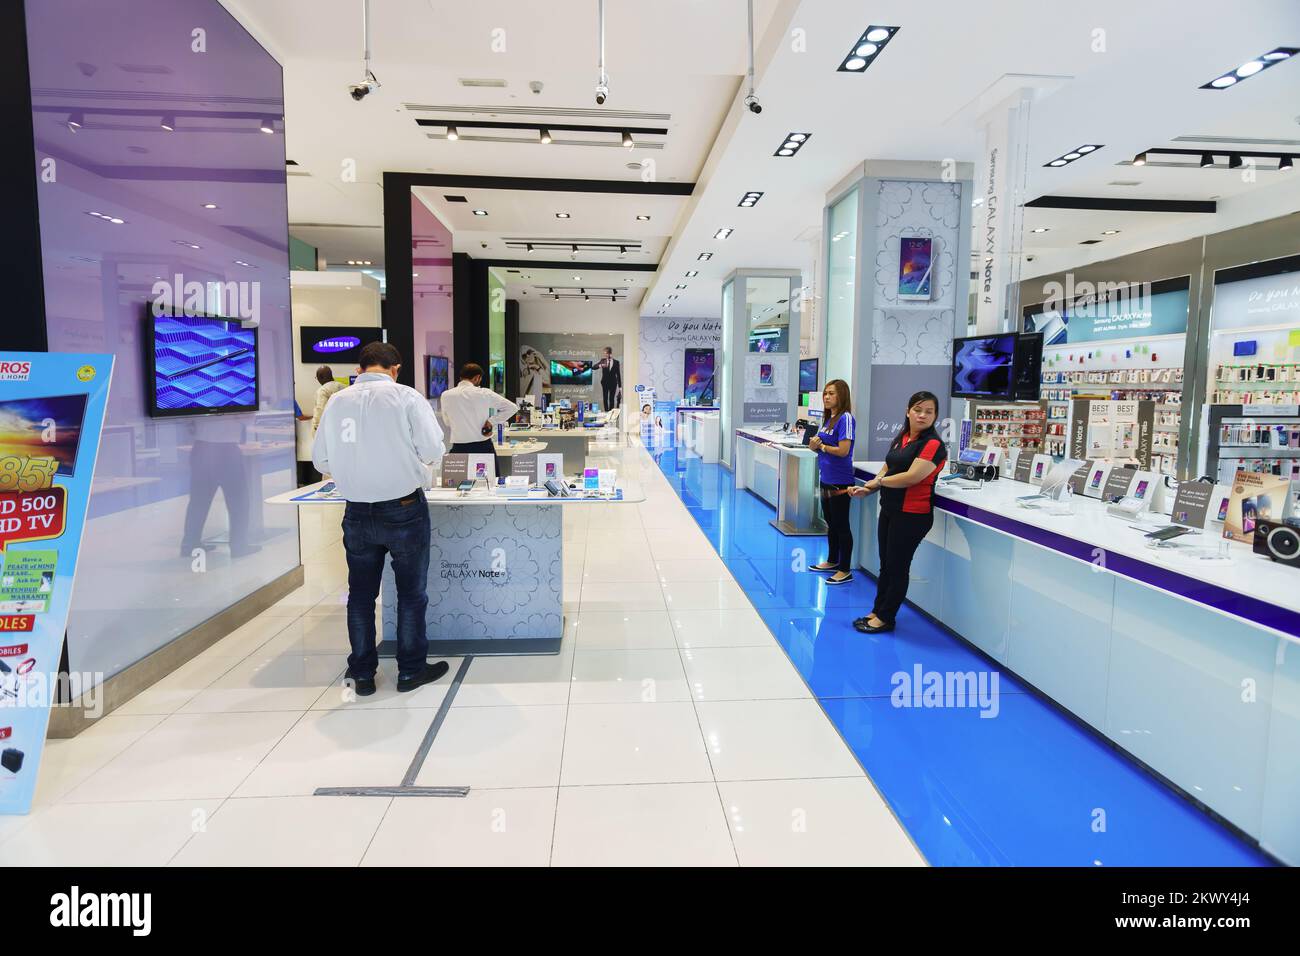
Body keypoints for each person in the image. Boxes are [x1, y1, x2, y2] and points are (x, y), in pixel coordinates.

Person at [313, 342, 448, 696]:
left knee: (360, 595)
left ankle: (362, 674)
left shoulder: (337, 402)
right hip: (404, 508)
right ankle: (410, 672)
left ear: (360, 369)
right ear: (396, 368)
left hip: (357, 510)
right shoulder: (406, 398)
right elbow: (434, 449)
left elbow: (321, 461)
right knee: (411, 594)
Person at [848, 390, 948, 634]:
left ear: (935, 416)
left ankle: (886, 617)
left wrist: (878, 483)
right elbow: (887, 468)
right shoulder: (902, 437)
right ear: (908, 411)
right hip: (890, 509)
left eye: (929, 412)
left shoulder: (933, 444)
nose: (923, 415)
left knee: (898, 566)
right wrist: (868, 488)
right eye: (918, 409)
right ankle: (877, 610)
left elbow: (912, 477)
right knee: (886, 564)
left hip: (913, 515)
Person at [808, 378, 857, 585]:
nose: (827, 397)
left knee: (841, 525)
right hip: (825, 479)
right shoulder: (829, 419)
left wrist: (822, 447)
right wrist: (813, 445)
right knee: (831, 524)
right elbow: (816, 446)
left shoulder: (846, 418)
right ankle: (832, 560)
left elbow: (843, 450)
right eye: (825, 394)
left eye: (832, 393)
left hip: (840, 481)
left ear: (842, 396)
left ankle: (845, 569)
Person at [439, 362, 520, 475]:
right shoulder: (484, 393)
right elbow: (512, 408)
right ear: (477, 378)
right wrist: (491, 422)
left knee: (458, 485)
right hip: (482, 447)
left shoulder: (446, 395)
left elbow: (447, 422)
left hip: (458, 448)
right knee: (490, 484)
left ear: (461, 377)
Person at [311, 366, 345, 434]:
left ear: (320, 377)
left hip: (328, 430)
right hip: (343, 427)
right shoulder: (344, 387)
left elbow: (320, 411)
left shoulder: (323, 390)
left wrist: (316, 428)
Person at [597, 346, 621, 414]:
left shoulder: (616, 362)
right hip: (605, 382)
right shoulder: (603, 360)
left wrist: (620, 387)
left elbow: (618, 374)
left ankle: (611, 413)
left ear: (610, 353)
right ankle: (606, 412)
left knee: (611, 399)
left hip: (613, 383)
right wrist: (600, 365)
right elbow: (594, 367)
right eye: (604, 353)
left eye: (606, 353)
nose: (605, 355)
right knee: (605, 398)